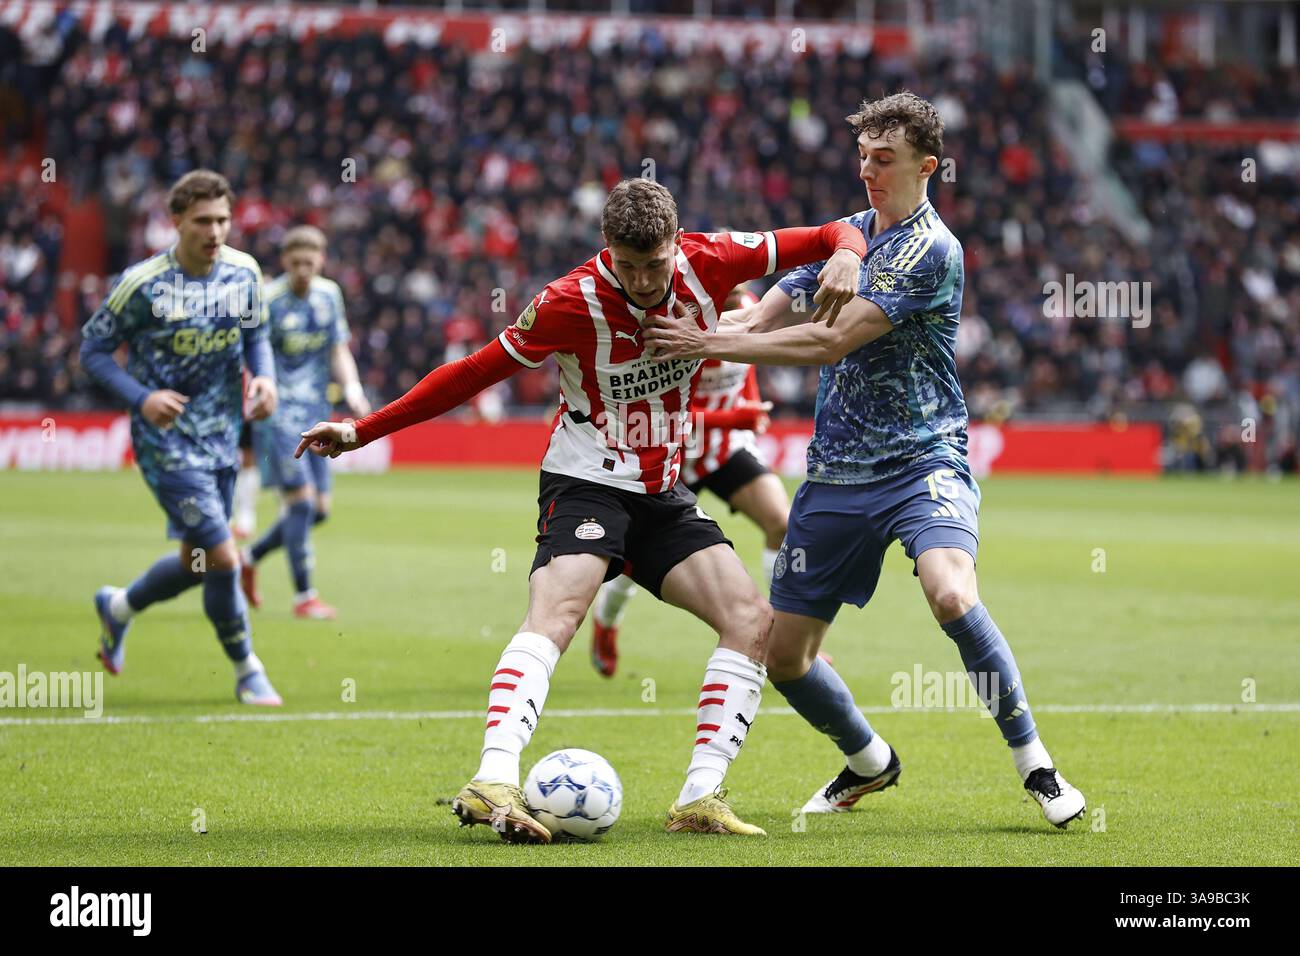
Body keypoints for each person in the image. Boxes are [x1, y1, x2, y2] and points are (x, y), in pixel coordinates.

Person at [297, 178, 867, 842]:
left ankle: (700, 797)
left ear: (677, 245)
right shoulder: (568, 303)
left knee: (750, 619)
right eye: (630, 267)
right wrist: (363, 429)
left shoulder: (713, 259)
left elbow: (835, 230)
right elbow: (471, 372)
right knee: (559, 613)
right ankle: (493, 779)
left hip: (662, 492)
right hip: (584, 485)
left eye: (656, 264)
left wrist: (850, 251)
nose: (646, 280)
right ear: (607, 250)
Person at [644, 93, 1087, 829]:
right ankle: (869, 760)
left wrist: (711, 346)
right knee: (783, 656)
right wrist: (707, 323)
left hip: (923, 461)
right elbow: (765, 312)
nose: (868, 173)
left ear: (927, 167)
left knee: (950, 593)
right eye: (863, 158)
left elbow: (828, 341)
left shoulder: (931, 249)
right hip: (838, 472)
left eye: (884, 161)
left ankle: (1035, 764)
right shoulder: (848, 233)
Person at [80, 169, 283, 705]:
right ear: (175, 221)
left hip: (221, 436)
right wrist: (142, 397)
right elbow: (93, 350)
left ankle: (119, 606)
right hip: (164, 441)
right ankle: (247, 669)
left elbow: (256, 334)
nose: (215, 231)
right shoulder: (142, 284)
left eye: (223, 219)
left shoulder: (244, 273)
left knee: (200, 559)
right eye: (202, 221)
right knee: (223, 555)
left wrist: (264, 377)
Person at [588, 282, 790, 678]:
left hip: (724, 451)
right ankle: (606, 622)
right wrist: (735, 417)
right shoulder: (676, 329)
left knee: (782, 523)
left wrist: (751, 405)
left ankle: (787, 641)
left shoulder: (750, 308)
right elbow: (665, 411)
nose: (738, 294)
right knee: (633, 559)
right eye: (728, 285)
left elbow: (743, 368)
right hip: (674, 455)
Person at [239, 225, 370, 620]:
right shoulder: (269, 299)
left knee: (321, 510)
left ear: (321, 260)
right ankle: (304, 598)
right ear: (284, 262)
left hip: (317, 413)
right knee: (300, 503)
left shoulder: (329, 295)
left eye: (309, 263)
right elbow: (252, 351)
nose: (301, 270)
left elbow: (337, 348)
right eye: (295, 263)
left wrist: (353, 388)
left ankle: (249, 558)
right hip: (277, 415)